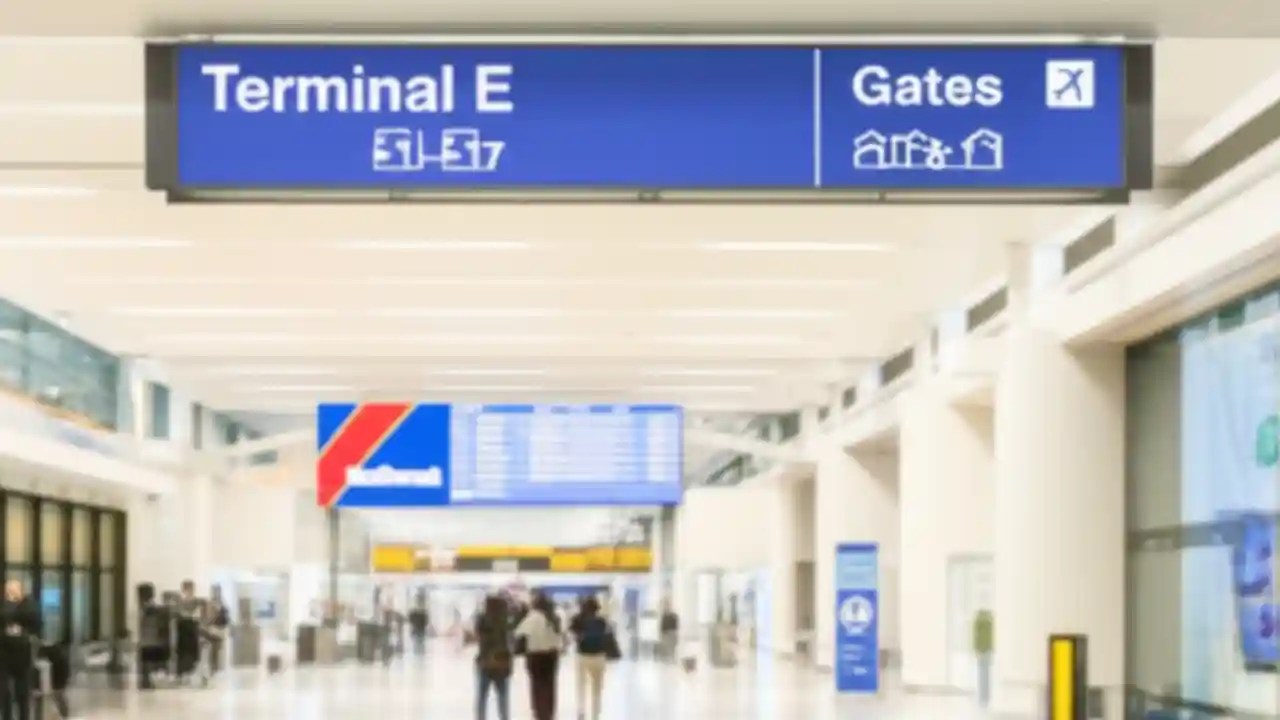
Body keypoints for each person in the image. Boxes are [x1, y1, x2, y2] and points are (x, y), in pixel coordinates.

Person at [514, 591, 563, 720]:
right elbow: (560, 637)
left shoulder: (533, 617)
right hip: (552, 655)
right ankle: (550, 713)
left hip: (536, 656)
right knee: (550, 685)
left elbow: (519, 632)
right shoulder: (555, 617)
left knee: (537, 686)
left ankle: (540, 714)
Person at [468, 594, 513, 720]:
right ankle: (504, 717)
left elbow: (478, 636)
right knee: (503, 696)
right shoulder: (506, 620)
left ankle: (481, 717)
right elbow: (510, 641)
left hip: (485, 662)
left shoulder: (482, 619)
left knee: (482, 696)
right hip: (502, 662)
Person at [569, 596, 614, 720]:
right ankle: (596, 713)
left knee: (581, 684)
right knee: (597, 686)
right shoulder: (602, 621)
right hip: (599, 656)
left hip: (583, 655)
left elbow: (573, 635)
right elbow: (607, 637)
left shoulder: (577, 619)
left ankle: (581, 711)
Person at [0, 579, 39, 720]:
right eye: (8, 590)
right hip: (4, 652)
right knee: (4, 690)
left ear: (21, 590)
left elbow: (34, 622)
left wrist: (20, 629)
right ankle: (6, 716)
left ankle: (24, 716)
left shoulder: (29, 605)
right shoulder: (4, 604)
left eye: (13, 590)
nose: (10, 593)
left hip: (22, 652)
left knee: (22, 690)